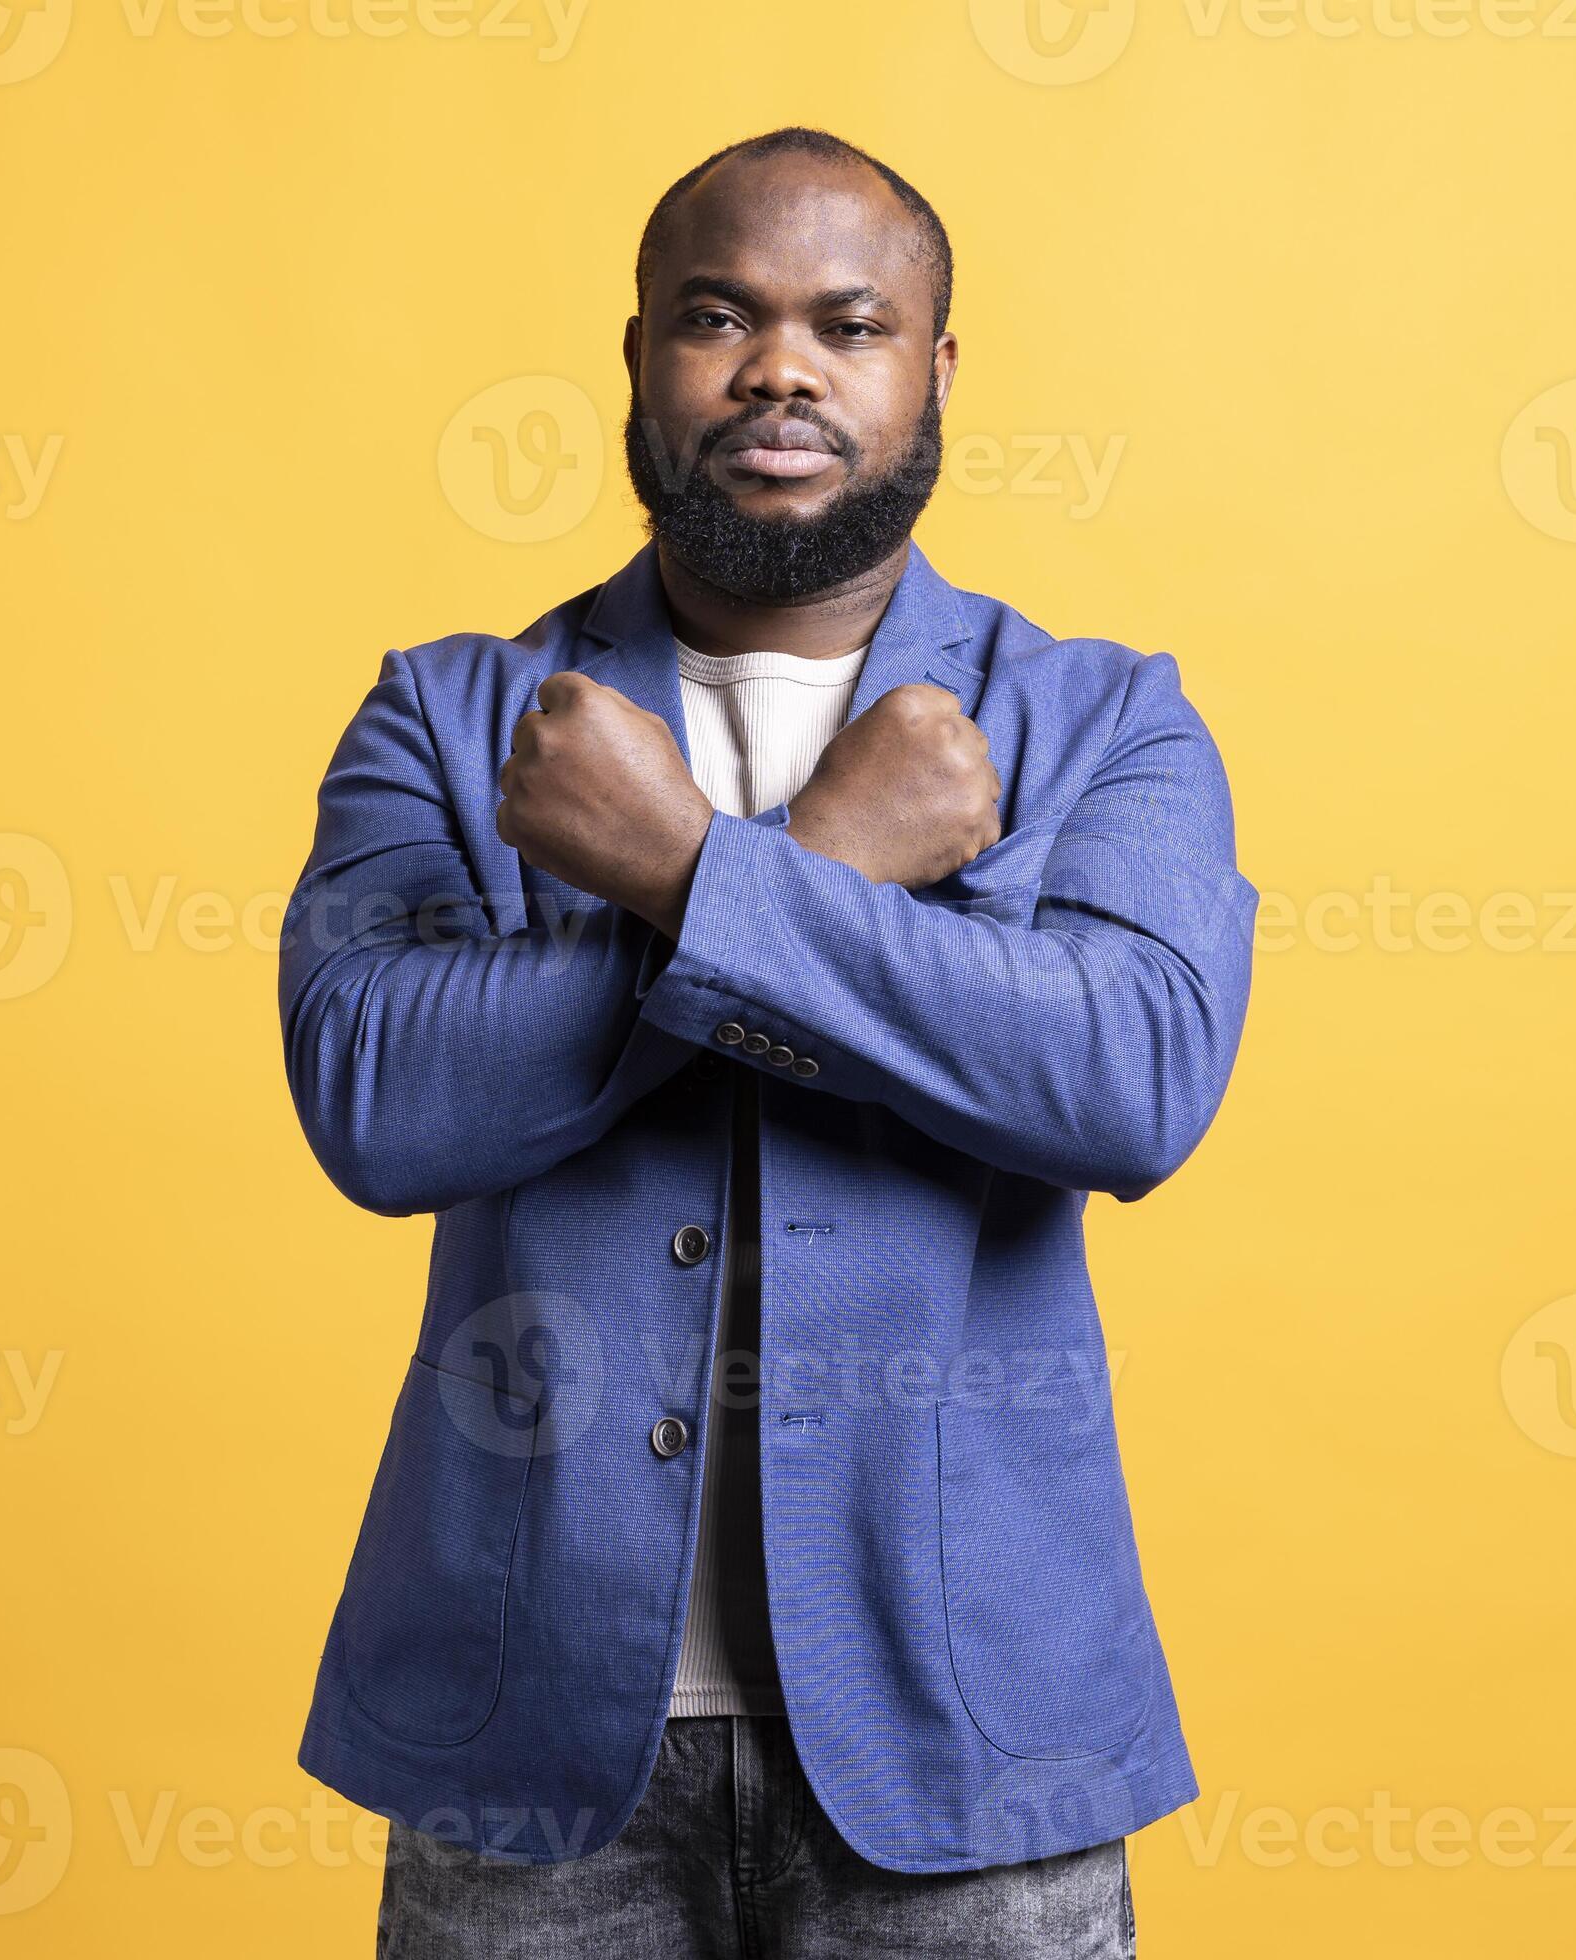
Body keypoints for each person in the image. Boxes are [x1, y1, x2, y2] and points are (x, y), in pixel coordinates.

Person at [278, 124, 1256, 1959]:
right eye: (718, 315)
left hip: (977, 1747)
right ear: (640, 356)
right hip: (532, 1736)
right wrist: (822, 873)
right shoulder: (456, 714)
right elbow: (377, 1100)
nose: (780, 367)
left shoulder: (1100, 722)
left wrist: (671, 872)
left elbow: (1126, 1082)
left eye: (849, 322)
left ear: (935, 368)